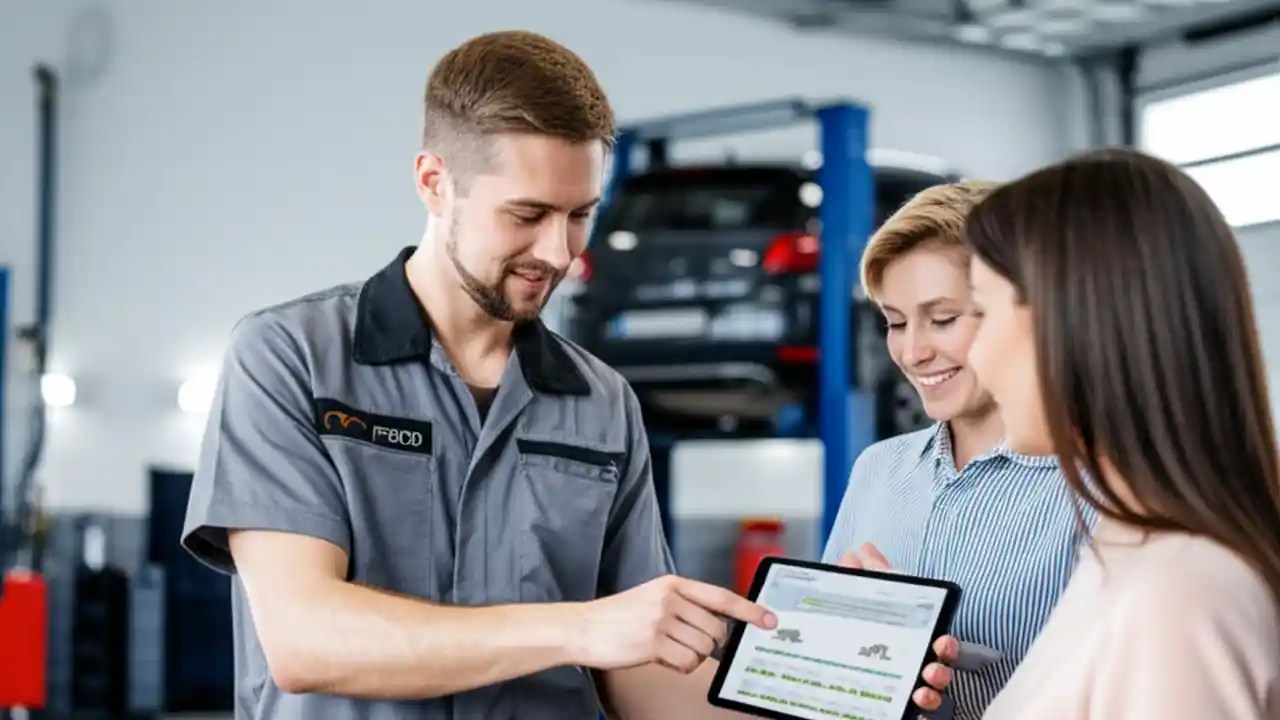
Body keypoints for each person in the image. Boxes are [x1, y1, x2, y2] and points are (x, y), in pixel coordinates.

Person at [180, 30, 955, 719]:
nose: (560, 253)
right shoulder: (290, 358)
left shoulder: (600, 402)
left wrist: (840, 694)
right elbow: (308, 641)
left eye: (580, 213)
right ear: (433, 182)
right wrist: (578, 626)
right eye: (526, 214)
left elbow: (641, 680)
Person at [964, 148, 1280, 718]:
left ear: (1073, 325)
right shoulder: (1127, 548)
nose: (973, 356)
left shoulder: (1182, 593)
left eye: (980, 313)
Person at [823, 181, 1094, 720]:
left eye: (942, 318)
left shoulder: (1098, 487)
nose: (913, 351)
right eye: (895, 323)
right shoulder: (879, 469)